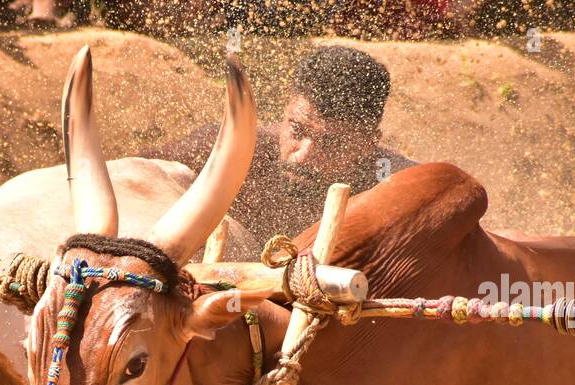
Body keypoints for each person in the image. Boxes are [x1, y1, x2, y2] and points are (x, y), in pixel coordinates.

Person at [151, 45, 416, 241]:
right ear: (286, 109)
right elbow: (132, 178)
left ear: (368, 144)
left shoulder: (395, 188)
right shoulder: (228, 152)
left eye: (331, 144)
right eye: (297, 131)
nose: (302, 156)